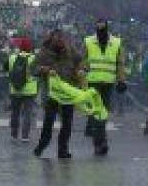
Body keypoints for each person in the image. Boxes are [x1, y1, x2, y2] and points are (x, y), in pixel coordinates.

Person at [33, 29, 83, 160]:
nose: (61, 42)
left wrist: (80, 70)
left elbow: (82, 61)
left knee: (67, 123)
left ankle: (63, 150)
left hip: (67, 92)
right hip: (52, 94)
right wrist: (43, 69)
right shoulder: (44, 52)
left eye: (62, 39)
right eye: (58, 39)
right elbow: (33, 68)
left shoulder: (70, 50)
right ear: (52, 39)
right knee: (48, 122)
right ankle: (41, 146)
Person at [82, 20, 125, 156]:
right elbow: (82, 62)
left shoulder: (117, 42)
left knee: (103, 113)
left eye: (103, 29)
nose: (101, 31)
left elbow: (120, 63)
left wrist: (121, 80)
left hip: (108, 83)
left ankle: (100, 142)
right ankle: (100, 143)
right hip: (92, 83)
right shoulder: (88, 41)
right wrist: (81, 82)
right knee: (98, 113)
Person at [6, 37, 38, 143]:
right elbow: (37, 73)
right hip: (29, 90)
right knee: (27, 113)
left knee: (15, 112)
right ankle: (25, 136)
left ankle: (13, 134)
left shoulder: (12, 58)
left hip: (15, 89)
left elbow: (8, 70)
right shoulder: (34, 58)